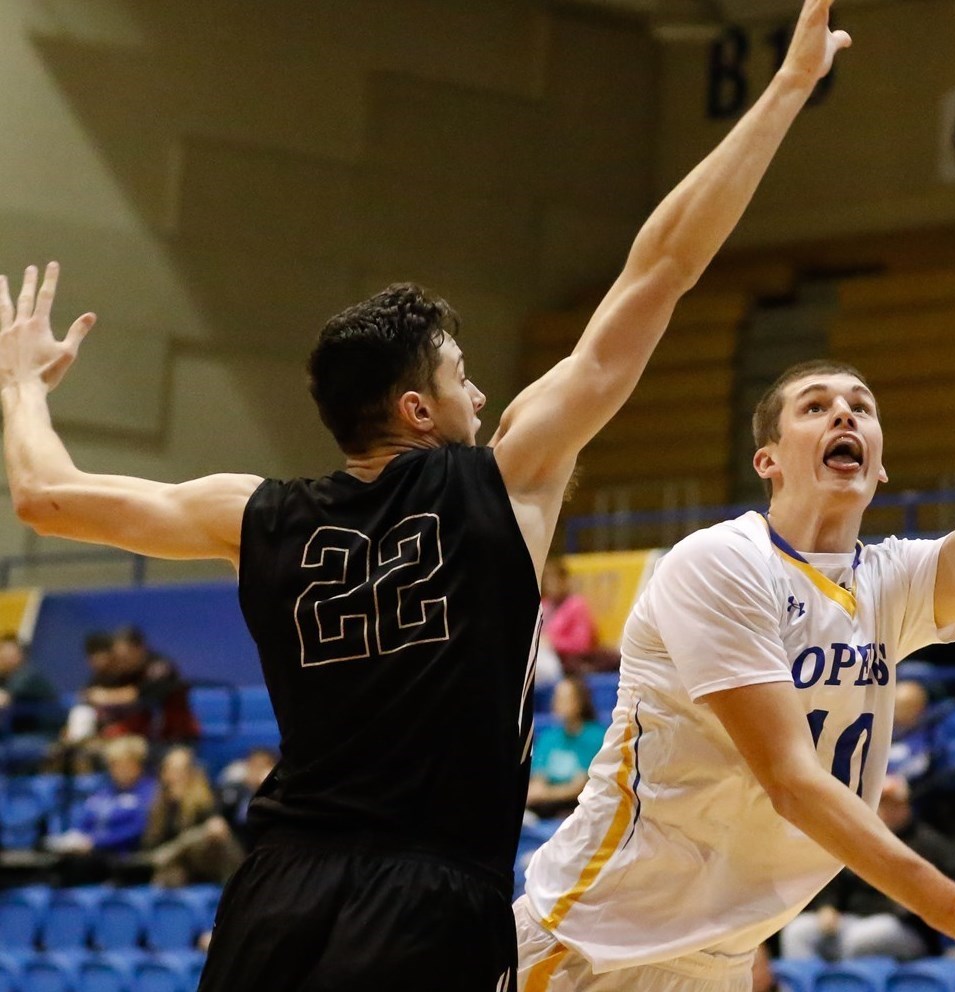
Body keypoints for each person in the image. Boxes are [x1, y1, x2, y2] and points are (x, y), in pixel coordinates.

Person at [0, 3, 841, 986]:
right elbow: (662, 265)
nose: (480, 391)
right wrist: (784, 93)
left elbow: (45, 496)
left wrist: (20, 384)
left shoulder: (252, 510)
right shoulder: (507, 478)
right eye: (460, 374)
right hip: (430, 899)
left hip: (275, 892)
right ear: (417, 407)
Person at [515, 4, 955, 987]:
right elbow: (790, 776)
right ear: (769, 458)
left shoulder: (890, 585)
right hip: (588, 942)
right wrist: (941, 900)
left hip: (715, 958)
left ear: (880, 461)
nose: (845, 412)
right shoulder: (715, 565)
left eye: (861, 404)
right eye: (816, 405)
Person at [781, 775, 955, 962]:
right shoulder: (857, 838)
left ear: (907, 806)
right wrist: (827, 907)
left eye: (895, 805)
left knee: (861, 938)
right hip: (852, 920)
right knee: (798, 931)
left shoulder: (929, 844)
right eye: (882, 804)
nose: (888, 811)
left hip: (905, 928)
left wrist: (918, 903)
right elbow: (833, 879)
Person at [141, 745, 246, 886]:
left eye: (181, 770)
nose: (175, 775)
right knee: (166, 879)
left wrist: (176, 848)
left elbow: (217, 829)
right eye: (170, 770)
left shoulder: (207, 798)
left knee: (206, 833)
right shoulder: (159, 805)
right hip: (182, 865)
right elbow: (152, 840)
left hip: (213, 863)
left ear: (192, 773)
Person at [527, 676, 607, 819]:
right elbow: (538, 778)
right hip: (544, 806)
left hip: (578, 807)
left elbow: (580, 786)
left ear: (580, 701)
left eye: (564, 698)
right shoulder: (549, 737)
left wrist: (545, 794)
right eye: (556, 697)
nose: (557, 703)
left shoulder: (595, 736)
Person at [0, 632, 62, 735]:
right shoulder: (6, 675)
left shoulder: (28, 675)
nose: (1, 655)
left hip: (41, 733)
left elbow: (3, 699)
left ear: (20, 655)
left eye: (6, 652)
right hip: (17, 730)